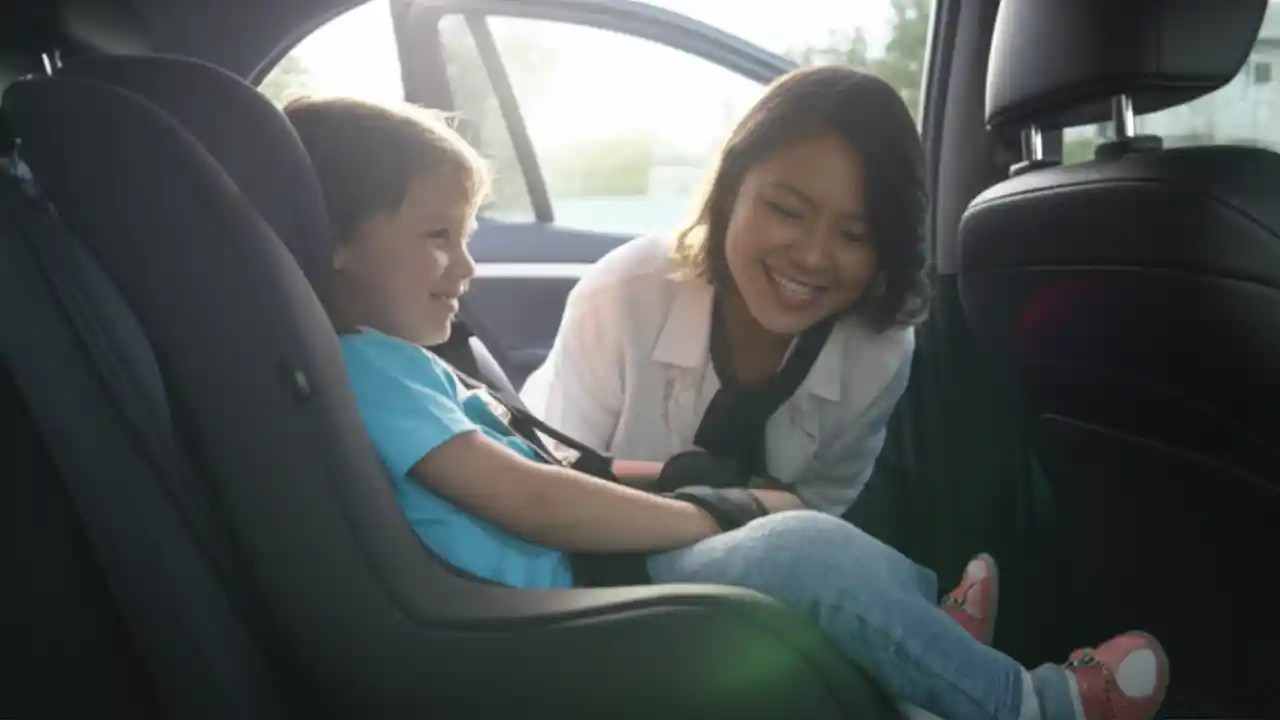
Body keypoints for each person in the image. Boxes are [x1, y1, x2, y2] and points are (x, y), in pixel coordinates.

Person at [283, 94, 1169, 720]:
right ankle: (1034, 702)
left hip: (575, 575)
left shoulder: (395, 365)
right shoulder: (367, 368)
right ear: (329, 244)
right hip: (551, 604)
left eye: (856, 234)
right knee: (800, 550)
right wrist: (699, 519)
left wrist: (717, 504)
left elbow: (550, 469)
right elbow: (530, 497)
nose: (467, 269)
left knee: (798, 540)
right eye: (439, 238)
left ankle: (928, 651)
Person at [521, 66, 928, 516]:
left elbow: (817, 518)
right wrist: (722, 520)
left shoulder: (879, 351)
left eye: (854, 237)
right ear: (731, 188)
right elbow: (551, 495)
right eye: (787, 211)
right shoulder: (622, 296)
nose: (813, 257)